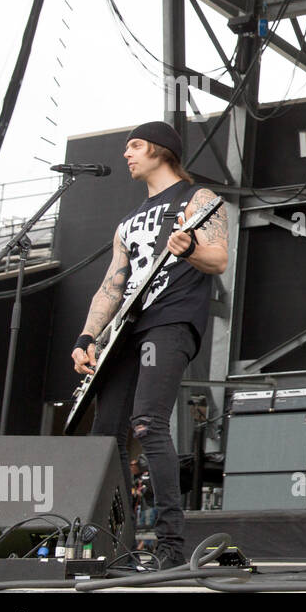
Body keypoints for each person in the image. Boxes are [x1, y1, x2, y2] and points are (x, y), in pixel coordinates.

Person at [71, 121, 228, 568]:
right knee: (105, 436)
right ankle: (117, 545)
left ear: (161, 150)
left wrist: (189, 249)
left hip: (171, 319)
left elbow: (218, 258)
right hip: (125, 329)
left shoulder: (197, 199)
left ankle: (171, 546)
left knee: (147, 422)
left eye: (136, 145)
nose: (127, 154)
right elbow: (111, 285)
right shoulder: (127, 223)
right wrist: (86, 337)